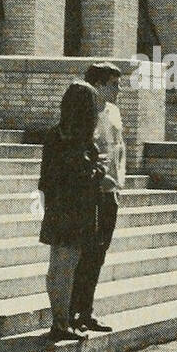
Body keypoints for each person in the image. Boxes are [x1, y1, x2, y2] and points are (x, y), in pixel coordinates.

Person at [38, 80, 106, 343]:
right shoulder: (79, 140)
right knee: (66, 267)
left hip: (57, 207)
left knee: (57, 266)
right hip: (76, 210)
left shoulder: (55, 135)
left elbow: (46, 178)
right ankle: (61, 322)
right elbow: (82, 175)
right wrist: (99, 170)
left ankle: (59, 319)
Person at [69, 61, 127, 334]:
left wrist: (119, 184)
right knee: (84, 253)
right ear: (99, 84)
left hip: (110, 191)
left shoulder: (113, 112)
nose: (119, 90)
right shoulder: (85, 112)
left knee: (99, 254)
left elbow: (119, 149)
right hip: (90, 191)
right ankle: (71, 313)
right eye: (114, 85)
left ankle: (87, 312)